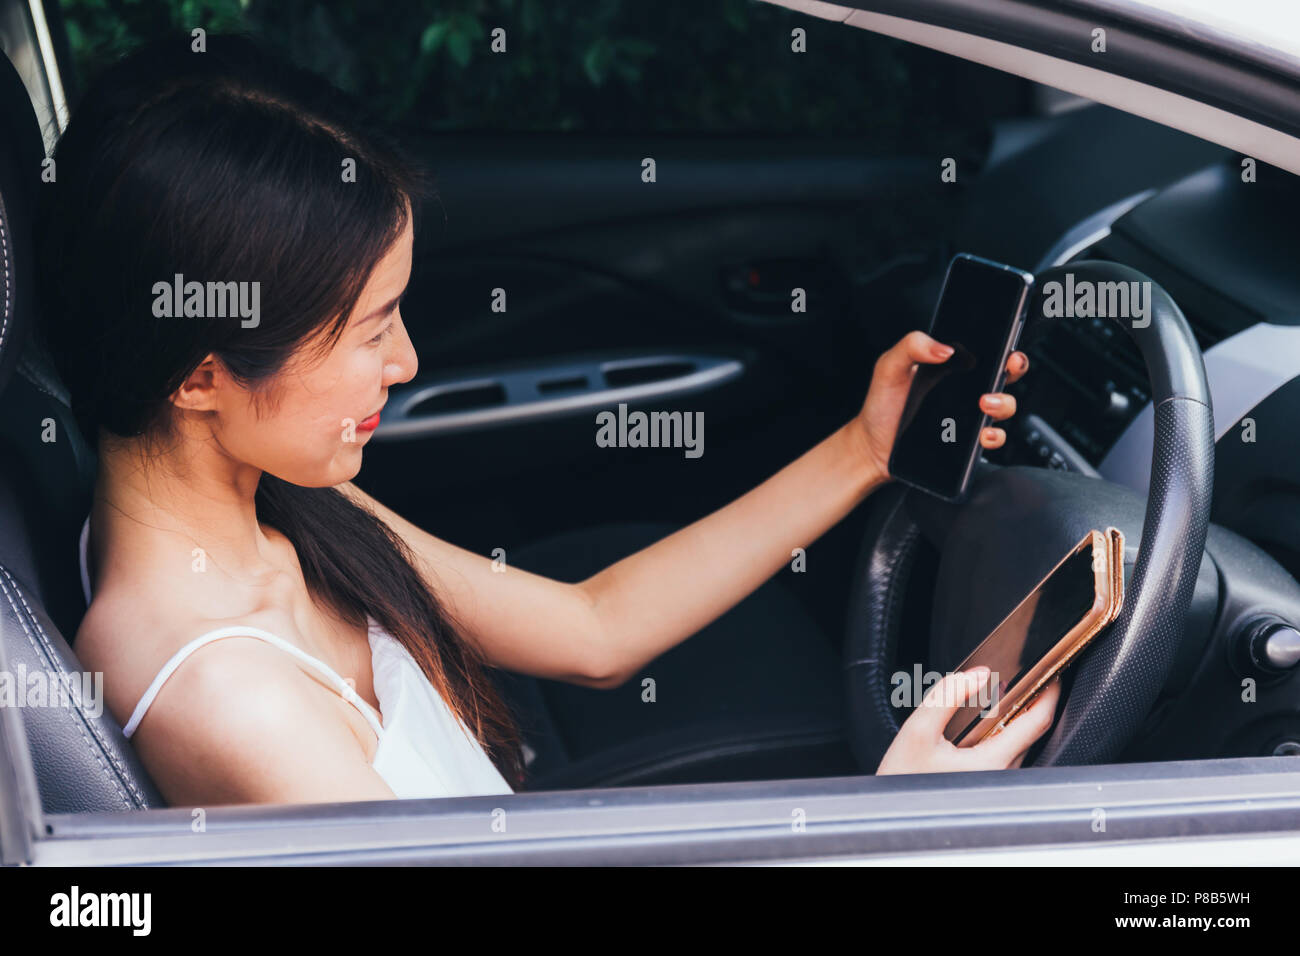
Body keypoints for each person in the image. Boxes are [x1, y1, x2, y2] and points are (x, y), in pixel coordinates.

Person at [36, 33, 1058, 807]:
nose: (407, 361)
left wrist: (864, 449)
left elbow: (592, 627)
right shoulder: (228, 699)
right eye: (368, 330)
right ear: (200, 374)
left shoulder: (271, 510)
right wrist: (895, 822)